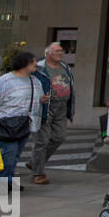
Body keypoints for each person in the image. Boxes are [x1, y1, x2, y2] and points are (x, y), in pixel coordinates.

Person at [0, 51, 41, 189]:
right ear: (24, 64)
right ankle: (2, 182)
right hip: (8, 122)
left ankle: (7, 181)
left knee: (15, 154)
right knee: (8, 153)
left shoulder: (34, 80)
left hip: (25, 122)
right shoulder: (5, 80)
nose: (36, 64)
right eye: (33, 61)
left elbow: (36, 98)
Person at [28, 42, 74, 184]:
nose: (60, 53)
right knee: (42, 140)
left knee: (59, 136)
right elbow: (30, 85)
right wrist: (37, 99)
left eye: (61, 51)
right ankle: (38, 173)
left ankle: (34, 162)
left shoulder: (64, 66)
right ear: (48, 53)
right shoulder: (39, 67)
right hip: (45, 106)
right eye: (57, 51)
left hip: (62, 106)